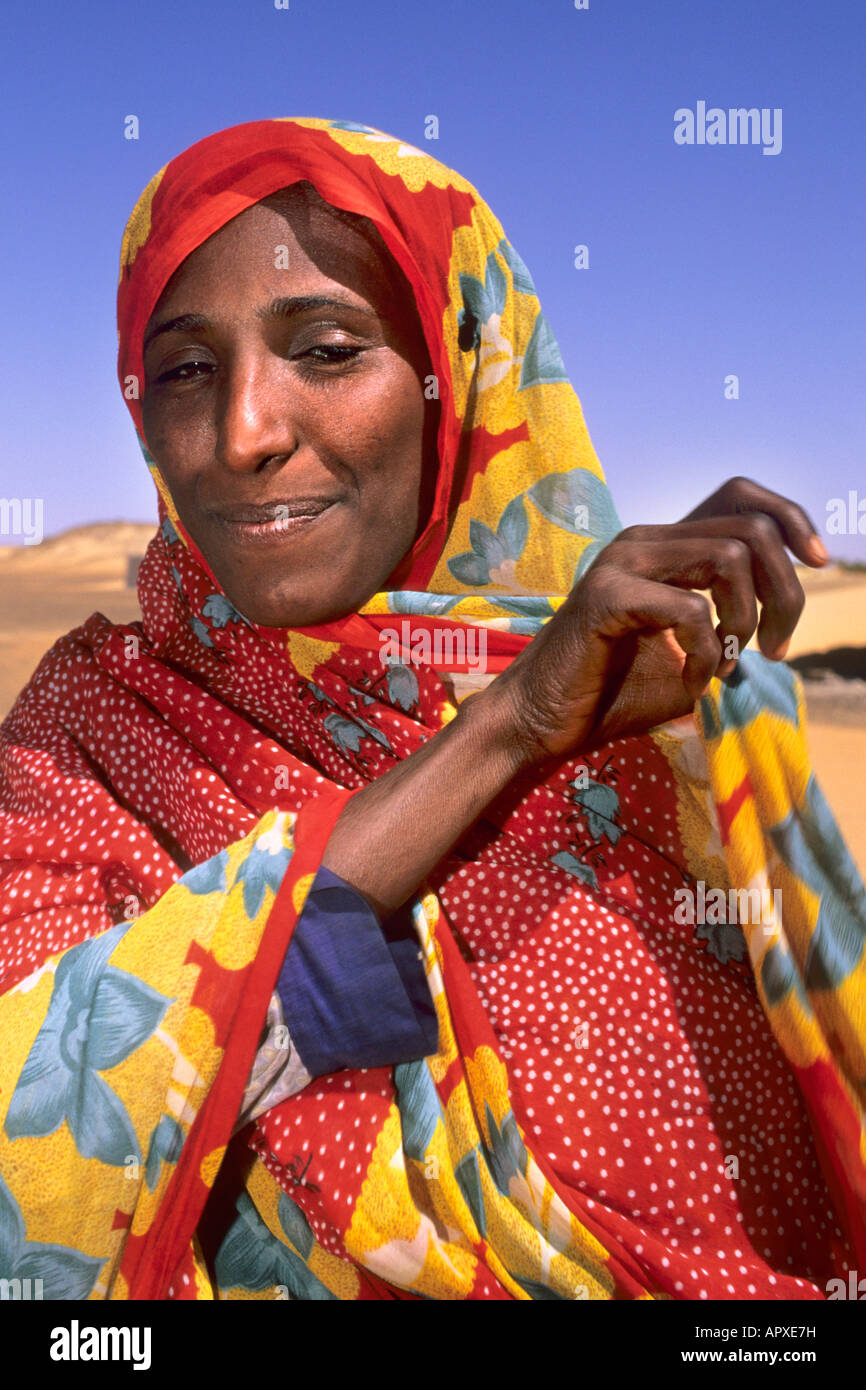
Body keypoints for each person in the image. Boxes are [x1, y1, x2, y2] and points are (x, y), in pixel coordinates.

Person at [0, 116, 863, 1302]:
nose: (244, 433)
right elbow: (37, 1143)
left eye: (326, 348)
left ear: (453, 377)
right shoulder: (87, 735)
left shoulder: (663, 713)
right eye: (189, 369)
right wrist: (506, 727)